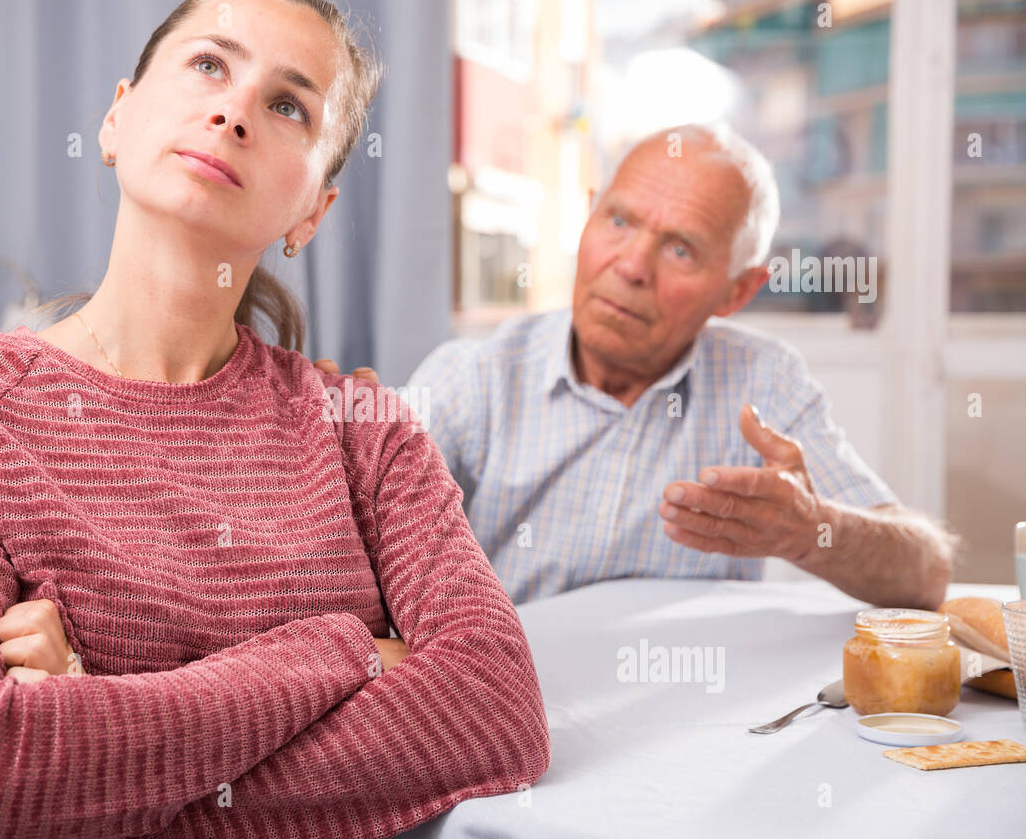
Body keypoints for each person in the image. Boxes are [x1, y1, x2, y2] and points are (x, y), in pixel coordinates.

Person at [0, 0, 549, 839]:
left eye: (290, 105)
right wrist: (343, 650)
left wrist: (94, 732)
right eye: (209, 65)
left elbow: (495, 712)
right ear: (117, 118)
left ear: (313, 210)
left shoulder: (361, 422)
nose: (234, 113)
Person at [406, 123, 956, 608]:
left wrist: (812, 529)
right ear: (589, 213)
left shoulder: (763, 383)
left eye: (681, 251)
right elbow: (350, 572)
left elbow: (926, 573)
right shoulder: (473, 381)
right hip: (499, 705)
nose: (632, 266)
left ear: (737, 292)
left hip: (697, 711)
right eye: (619, 221)